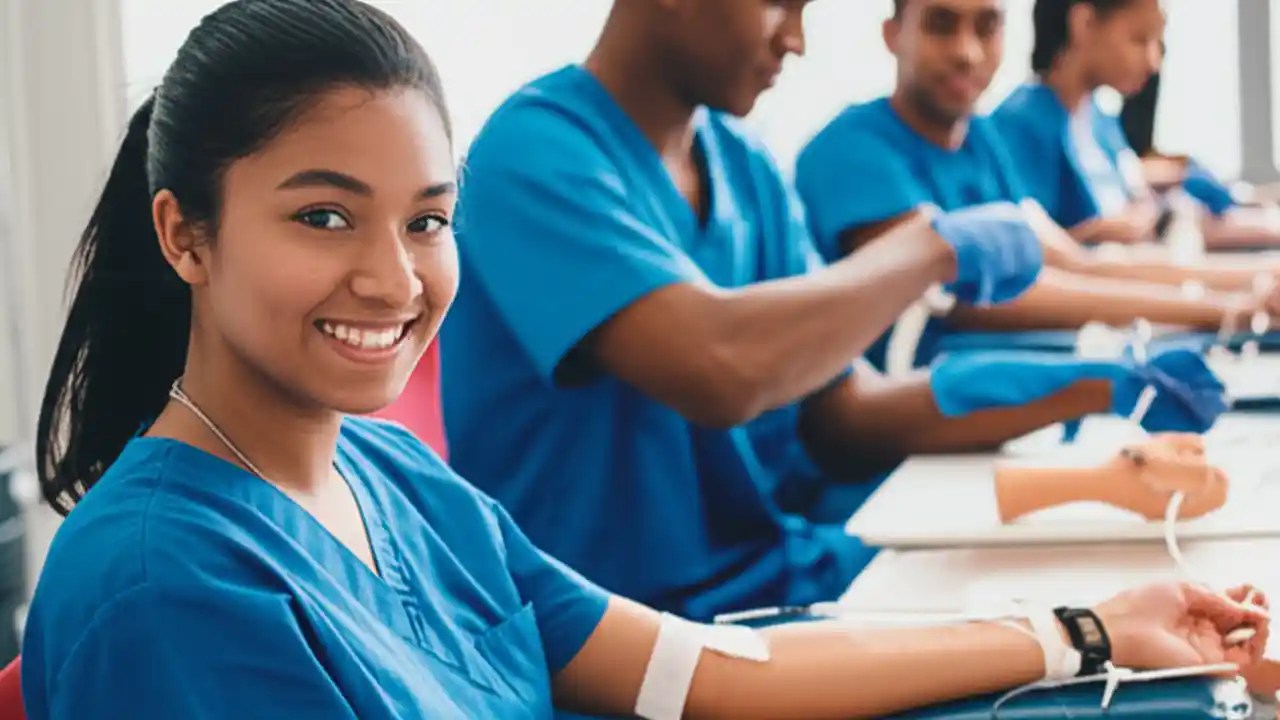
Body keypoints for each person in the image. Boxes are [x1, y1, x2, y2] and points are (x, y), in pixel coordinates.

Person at [23, 2, 1268, 717]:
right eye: (323, 215)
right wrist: (935, 253)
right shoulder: (168, 590)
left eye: (427, 220)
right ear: (183, 233)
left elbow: (708, 666)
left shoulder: (397, 484)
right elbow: (721, 371)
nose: (395, 279)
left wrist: (1088, 628)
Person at [440, 0, 1226, 625]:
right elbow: (719, 370)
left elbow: (844, 416)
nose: (799, 41)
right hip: (619, 635)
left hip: (778, 579)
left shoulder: (743, 165)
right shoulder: (534, 153)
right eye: (781, 4)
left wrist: (1106, 384)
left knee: (1124, 602)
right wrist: (930, 248)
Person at [796, 0, 1280, 369]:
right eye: (942, 25)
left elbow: (1078, 264)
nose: (967, 52)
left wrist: (1255, 284)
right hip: (901, 433)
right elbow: (973, 301)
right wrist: (1225, 307)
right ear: (892, 34)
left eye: (987, 27)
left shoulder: (981, 139)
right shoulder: (850, 152)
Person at [994, 0, 1280, 250]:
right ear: (1085, 23)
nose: (1153, 62)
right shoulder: (1019, 127)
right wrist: (1092, 237)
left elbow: (1136, 194)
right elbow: (1024, 252)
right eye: (1140, 39)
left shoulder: (1100, 123)